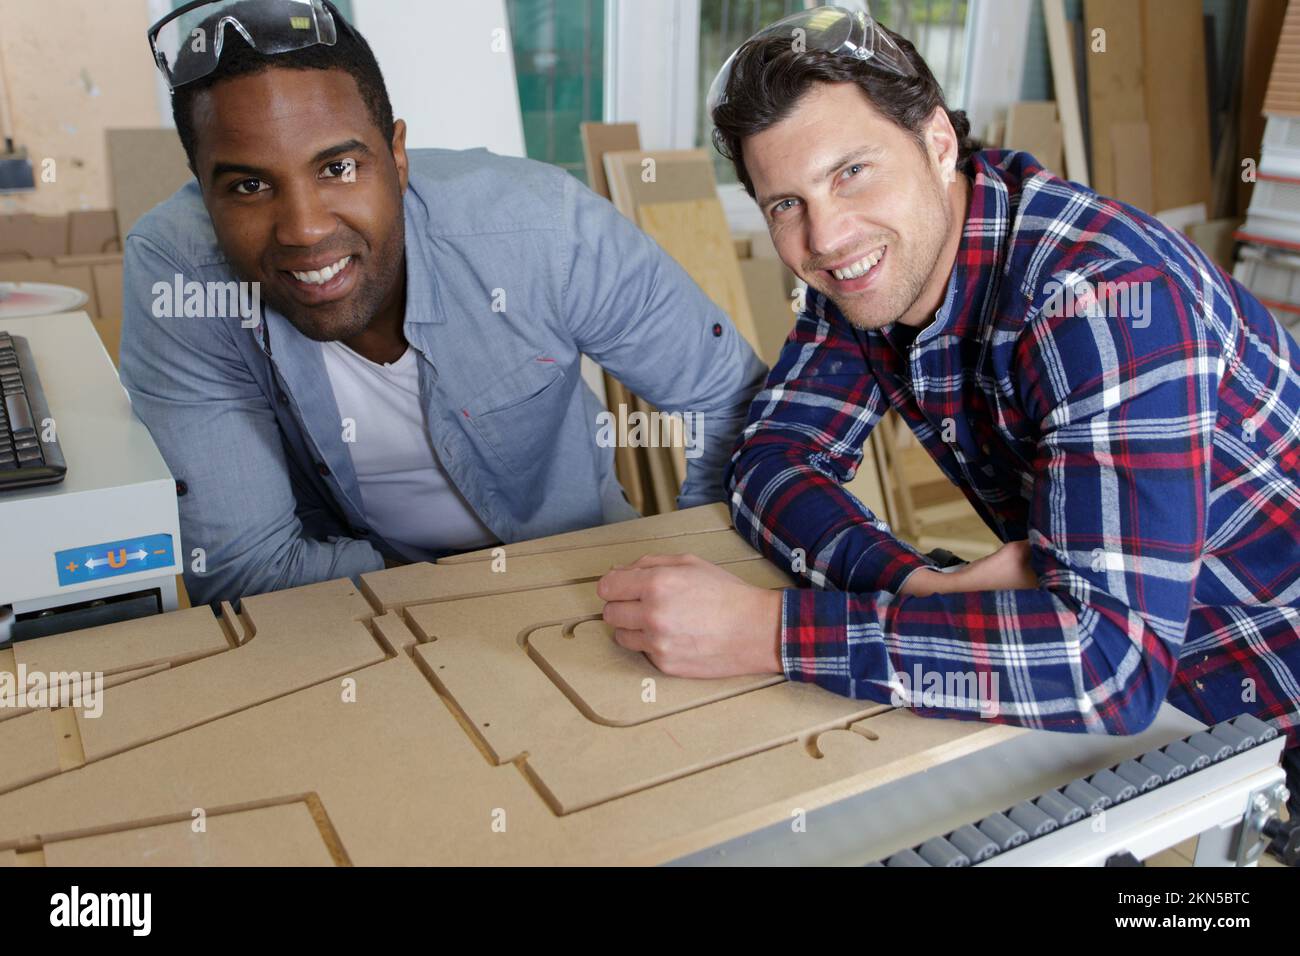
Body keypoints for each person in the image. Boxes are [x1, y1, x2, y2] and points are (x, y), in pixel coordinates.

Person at [596, 7, 1300, 782]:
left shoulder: (1101, 299)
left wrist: (769, 632)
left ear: (936, 145)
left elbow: (1108, 668)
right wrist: (917, 584)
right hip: (1170, 713)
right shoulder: (871, 273)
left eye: (850, 172)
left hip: (1267, 694)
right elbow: (770, 459)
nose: (825, 238)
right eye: (785, 204)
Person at [122, 0, 766, 606]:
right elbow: (245, 568)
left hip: (584, 580)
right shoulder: (181, 275)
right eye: (250, 185)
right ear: (203, 194)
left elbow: (730, 398)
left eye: (338, 168)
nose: (305, 228)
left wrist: (692, 564)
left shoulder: (540, 229)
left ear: (397, 156)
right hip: (349, 612)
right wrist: (474, 600)